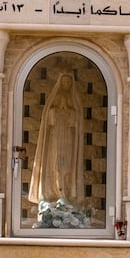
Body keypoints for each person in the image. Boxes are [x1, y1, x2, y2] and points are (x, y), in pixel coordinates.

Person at [28, 72, 84, 206]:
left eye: (68, 82)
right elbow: (49, 119)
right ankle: (54, 192)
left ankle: (66, 194)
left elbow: (76, 120)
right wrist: (57, 111)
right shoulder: (52, 109)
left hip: (68, 139)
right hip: (55, 139)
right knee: (55, 165)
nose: (66, 84)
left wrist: (69, 112)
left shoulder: (74, 103)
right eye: (64, 81)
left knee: (67, 166)